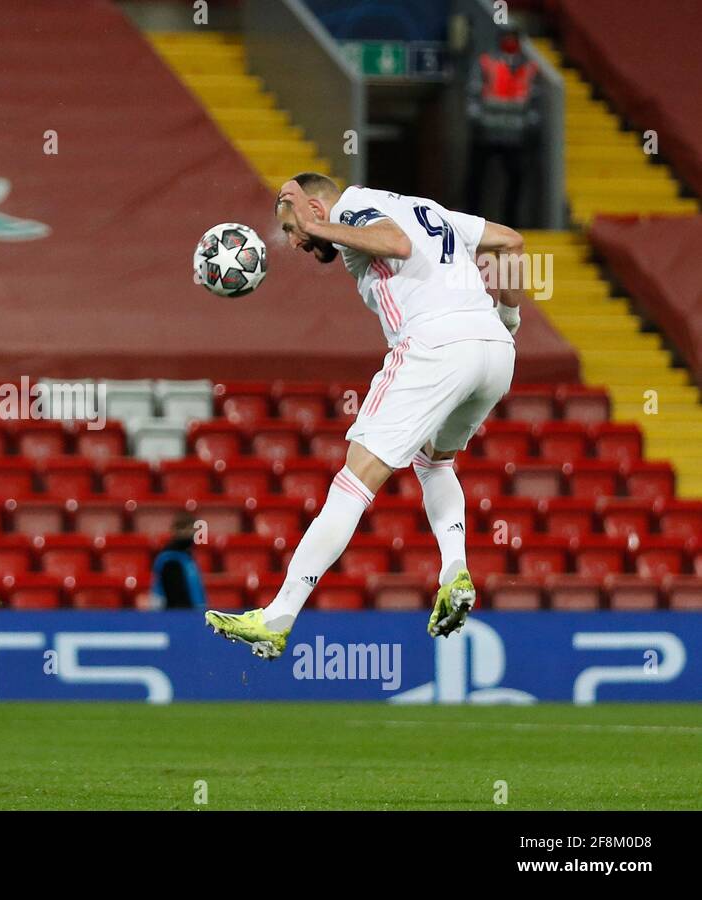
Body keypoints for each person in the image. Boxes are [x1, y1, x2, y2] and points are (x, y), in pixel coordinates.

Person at [205, 172, 524, 659]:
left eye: (291, 229)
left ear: (313, 206)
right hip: (495, 353)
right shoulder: (427, 208)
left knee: (353, 482)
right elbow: (510, 242)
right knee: (435, 463)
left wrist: (321, 229)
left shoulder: (353, 208)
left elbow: (393, 243)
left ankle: (278, 615)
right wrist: (509, 317)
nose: (293, 243)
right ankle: (454, 570)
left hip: (434, 346)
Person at [465, 28, 540, 226]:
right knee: (476, 179)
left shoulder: (529, 67)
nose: (510, 42)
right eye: (507, 38)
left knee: (515, 182)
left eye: (513, 39)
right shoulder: (487, 62)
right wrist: (477, 119)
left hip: (515, 135)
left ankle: (511, 223)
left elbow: (534, 101)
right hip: (486, 133)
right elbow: (473, 93)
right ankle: (471, 220)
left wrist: (528, 125)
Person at [148, 513, 207, 610]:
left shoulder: (187, 557)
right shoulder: (169, 559)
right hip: (179, 616)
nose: (188, 533)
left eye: (191, 529)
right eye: (183, 529)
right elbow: (176, 598)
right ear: (174, 531)